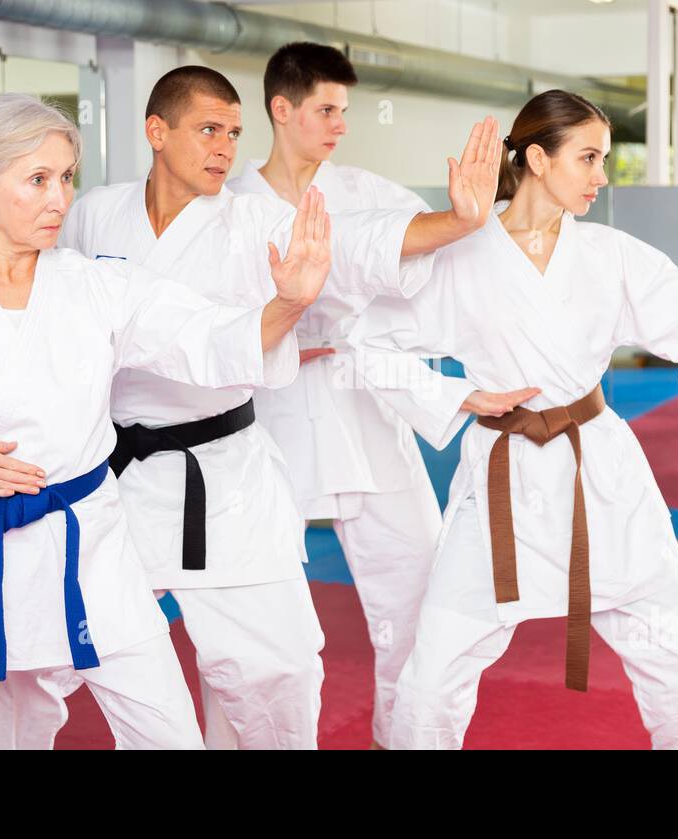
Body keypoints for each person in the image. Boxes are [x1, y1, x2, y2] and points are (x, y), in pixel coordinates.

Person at [0, 65, 504, 749]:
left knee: (277, 666)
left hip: (223, 478)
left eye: (234, 133)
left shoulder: (254, 220)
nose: (224, 147)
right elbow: (27, 280)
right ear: (156, 131)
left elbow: (352, 242)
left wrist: (454, 220)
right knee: (38, 654)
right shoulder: (96, 212)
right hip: (110, 475)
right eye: (208, 130)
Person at [0, 93, 330, 749]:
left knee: (170, 733)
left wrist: (287, 304)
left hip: (89, 547)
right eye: (37, 179)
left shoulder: (100, 287)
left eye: (66, 177)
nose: (59, 198)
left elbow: (206, 336)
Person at [348, 89, 678, 749]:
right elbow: (369, 342)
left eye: (604, 159)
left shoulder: (609, 255)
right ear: (538, 159)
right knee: (435, 669)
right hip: (501, 480)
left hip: (598, 473)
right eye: (590, 157)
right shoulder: (461, 252)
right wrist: (455, 396)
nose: (603, 176)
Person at [224, 42, 508, 750]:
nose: (339, 124)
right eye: (325, 109)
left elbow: (433, 263)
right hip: (272, 424)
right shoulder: (229, 208)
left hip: (369, 412)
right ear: (281, 110)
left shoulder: (369, 193)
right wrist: (283, 334)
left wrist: (477, 213)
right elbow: (213, 325)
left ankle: (401, 738)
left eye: (345, 111)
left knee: (419, 603)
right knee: (251, 620)